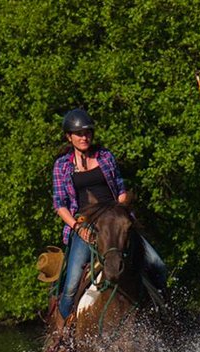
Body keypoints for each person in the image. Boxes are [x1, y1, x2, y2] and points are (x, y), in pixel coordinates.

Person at [51, 108, 168, 322]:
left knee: (157, 265)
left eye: (87, 133)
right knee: (71, 285)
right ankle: (65, 335)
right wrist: (77, 228)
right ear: (69, 137)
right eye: (79, 134)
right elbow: (60, 204)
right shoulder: (62, 166)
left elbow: (120, 190)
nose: (84, 137)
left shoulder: (105, 157)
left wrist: (122, 208)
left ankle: (163, 316)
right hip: (85, 225)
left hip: (114, 219)